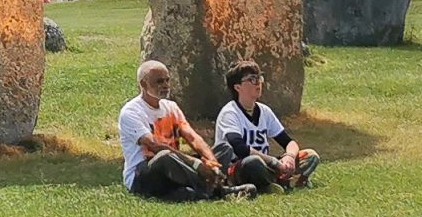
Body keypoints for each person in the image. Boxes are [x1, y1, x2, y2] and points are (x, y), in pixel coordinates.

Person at [119, 59, 222, 200]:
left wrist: (211, 161)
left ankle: (209, 183)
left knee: (223, 147)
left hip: (176, 168)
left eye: (167, 80)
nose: (166, 85)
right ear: (143, 84)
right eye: (159, 82)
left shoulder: (171, 107)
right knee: (164, 157)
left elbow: (192, 137)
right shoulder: (131, 112)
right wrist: (196, 164)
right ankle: (216, 189)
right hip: (144, 174)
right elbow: (155, 146)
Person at [214, 61, 317, 193]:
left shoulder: (264, 111)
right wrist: (274, 162)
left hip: (267, 165)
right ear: (238, 87)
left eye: (259, 78)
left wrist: (289, 157)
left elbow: (288, 141)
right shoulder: (230, 113)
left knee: (310, 155)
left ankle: (275, 182)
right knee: (253, 162)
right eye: (252, 79)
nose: (258, 83)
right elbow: (240, 148)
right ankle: (282, 182)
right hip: (239, 168)